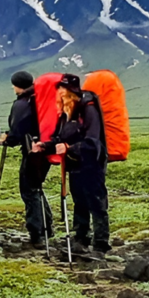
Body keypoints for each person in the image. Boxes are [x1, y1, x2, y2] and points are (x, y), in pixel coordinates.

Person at [42, 74, 110, 255]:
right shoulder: (66, 113)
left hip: (91, 164)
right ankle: (81, 238)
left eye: (63, 92)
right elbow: (59, 138)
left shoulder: (88, 110)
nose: (60, 96)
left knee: (96, 202)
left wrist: (69, 148)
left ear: (72, 93)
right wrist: (45, 146)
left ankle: (101, 243)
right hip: (75, 165)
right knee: (79, 201)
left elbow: (93, 141)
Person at [2, 71, 53, 249]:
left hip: (33, 151)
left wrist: (7, 140)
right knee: (36, 186)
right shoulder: (40, 99)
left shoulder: (23, 103)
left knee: (29, 190)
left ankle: (36, 234)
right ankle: (47, 228)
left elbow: (17, 131)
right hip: (48, 148)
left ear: (17, 85)